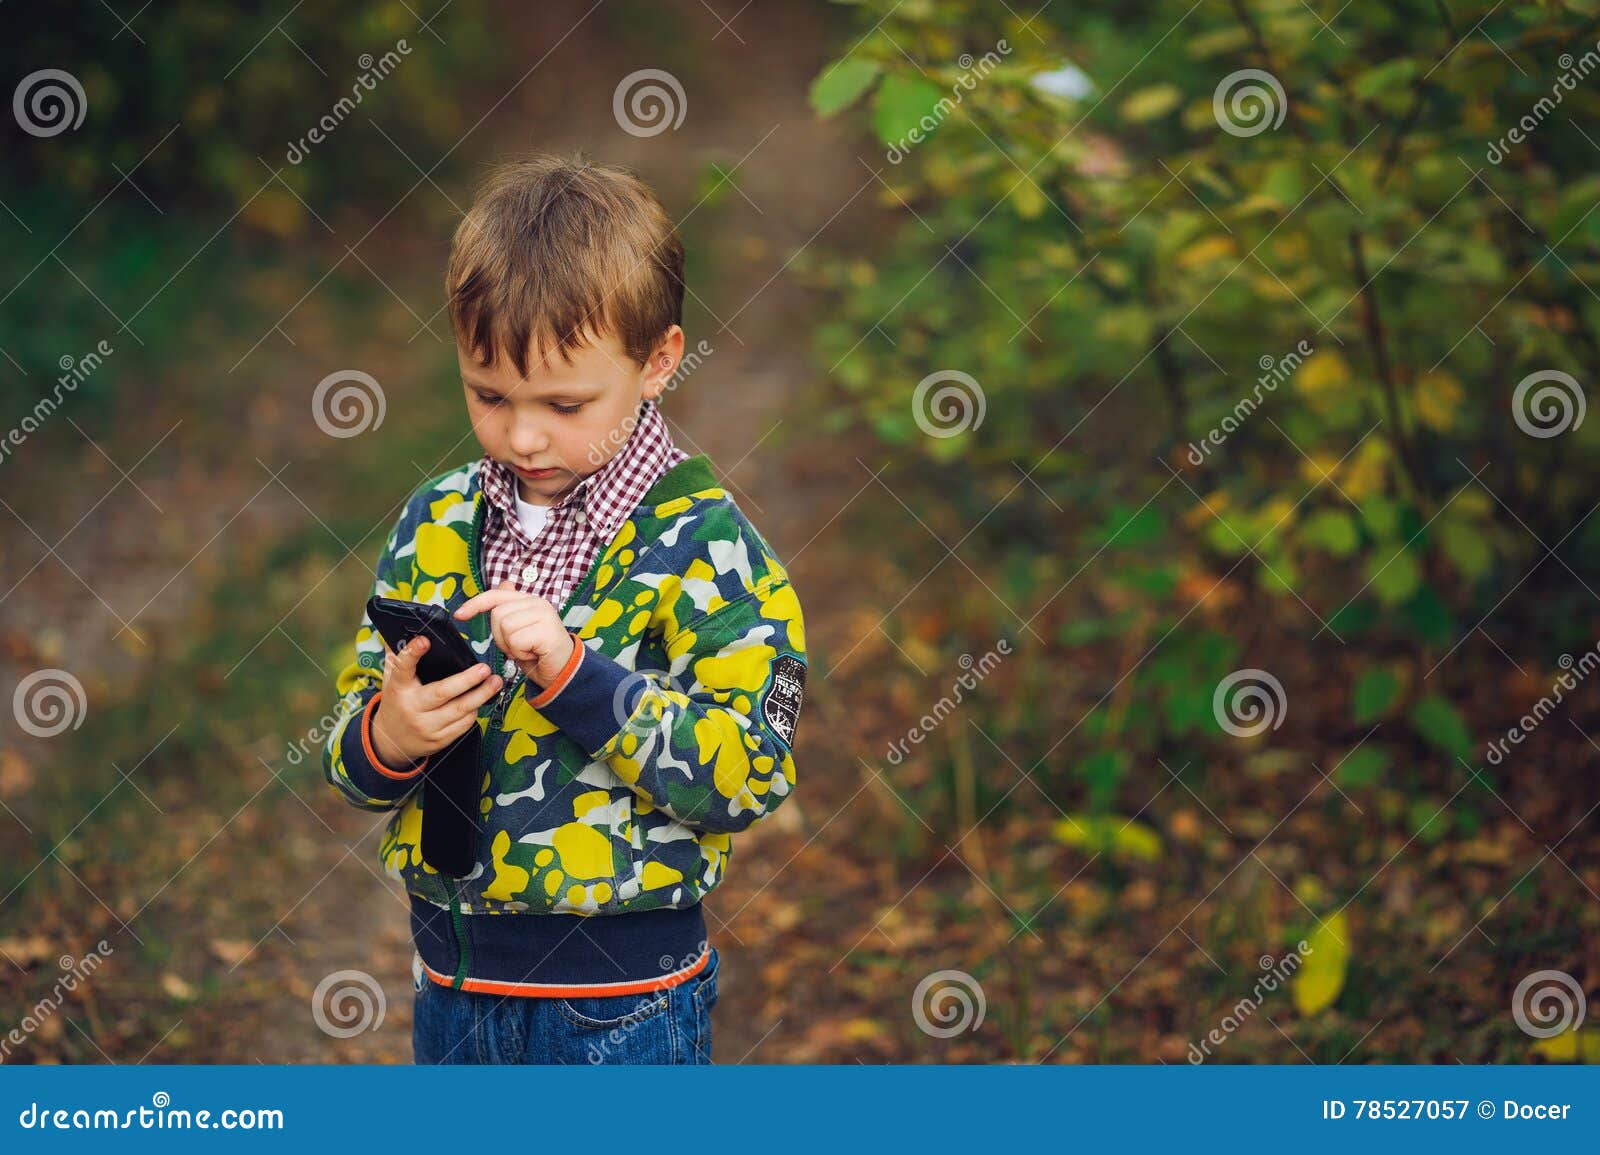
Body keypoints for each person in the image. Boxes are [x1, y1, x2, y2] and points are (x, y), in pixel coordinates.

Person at [320, 153, 807, 1064]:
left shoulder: (709, 549)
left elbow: (752, 770)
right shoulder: (438, 520)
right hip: (455, 986)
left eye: (566, 402)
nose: (525, 434)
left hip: (622, 1004)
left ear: (659, 360)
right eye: (489, 395)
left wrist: (582, 678)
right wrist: (391, 730)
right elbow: (347, 757)